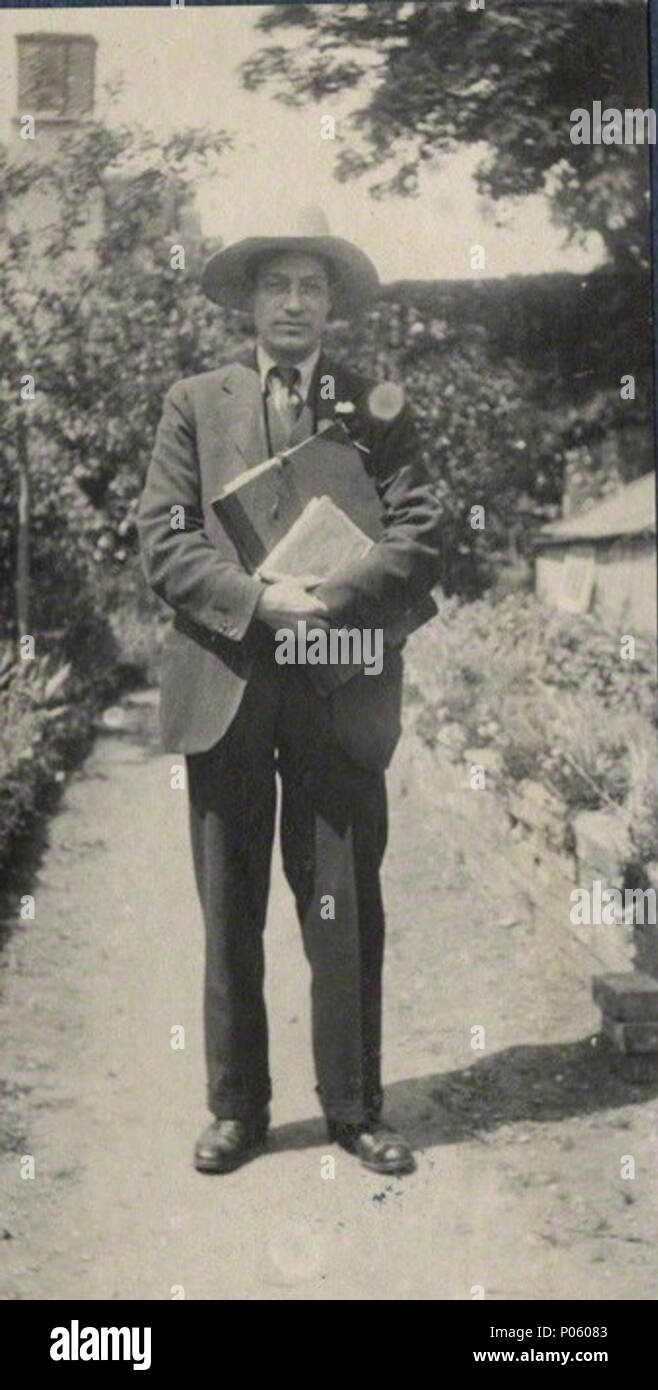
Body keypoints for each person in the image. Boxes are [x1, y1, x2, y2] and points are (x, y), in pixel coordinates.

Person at [137, 208, 442, 1176]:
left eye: (314, 287)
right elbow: (164, 540)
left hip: (340, 681)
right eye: (280, 286)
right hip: (226, 676)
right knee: (230, 906)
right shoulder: (193, 401)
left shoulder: (376, 406)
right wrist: (258, 599)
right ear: (251, 301)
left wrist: (333, 595)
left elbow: (421, 534)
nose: (296, 303)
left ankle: (355, 1107)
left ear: (332, 305)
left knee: (341, 902)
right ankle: (238, 1108)